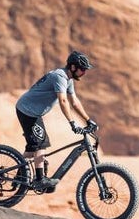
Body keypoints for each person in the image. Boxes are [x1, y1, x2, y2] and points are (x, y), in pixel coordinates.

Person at [15, 50, 97, 189]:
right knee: (41, 144)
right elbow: (63, 100)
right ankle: (40, 180)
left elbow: (74, 102)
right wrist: (72, 123)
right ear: (72, 67)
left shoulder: (68, 79)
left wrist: (88, 120)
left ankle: (19, 177)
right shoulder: (60, 76)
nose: (84, 73)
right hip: (27, 111)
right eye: (82, 69)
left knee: (33, 148)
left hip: (33, 112)